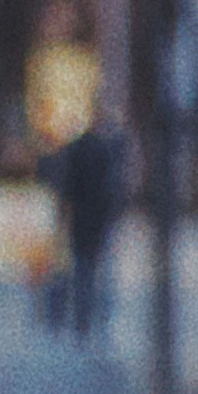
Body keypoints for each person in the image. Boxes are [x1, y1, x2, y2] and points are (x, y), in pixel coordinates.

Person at [54, 110, 129, 341]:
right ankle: (97, 319)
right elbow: (111, 187)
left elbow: (68, 186)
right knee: (97, 271)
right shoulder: (105, 151)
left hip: (81, 219)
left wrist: (64, 213)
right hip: (98, 218)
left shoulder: (76, 149)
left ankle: (82, 319)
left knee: (81, 271)